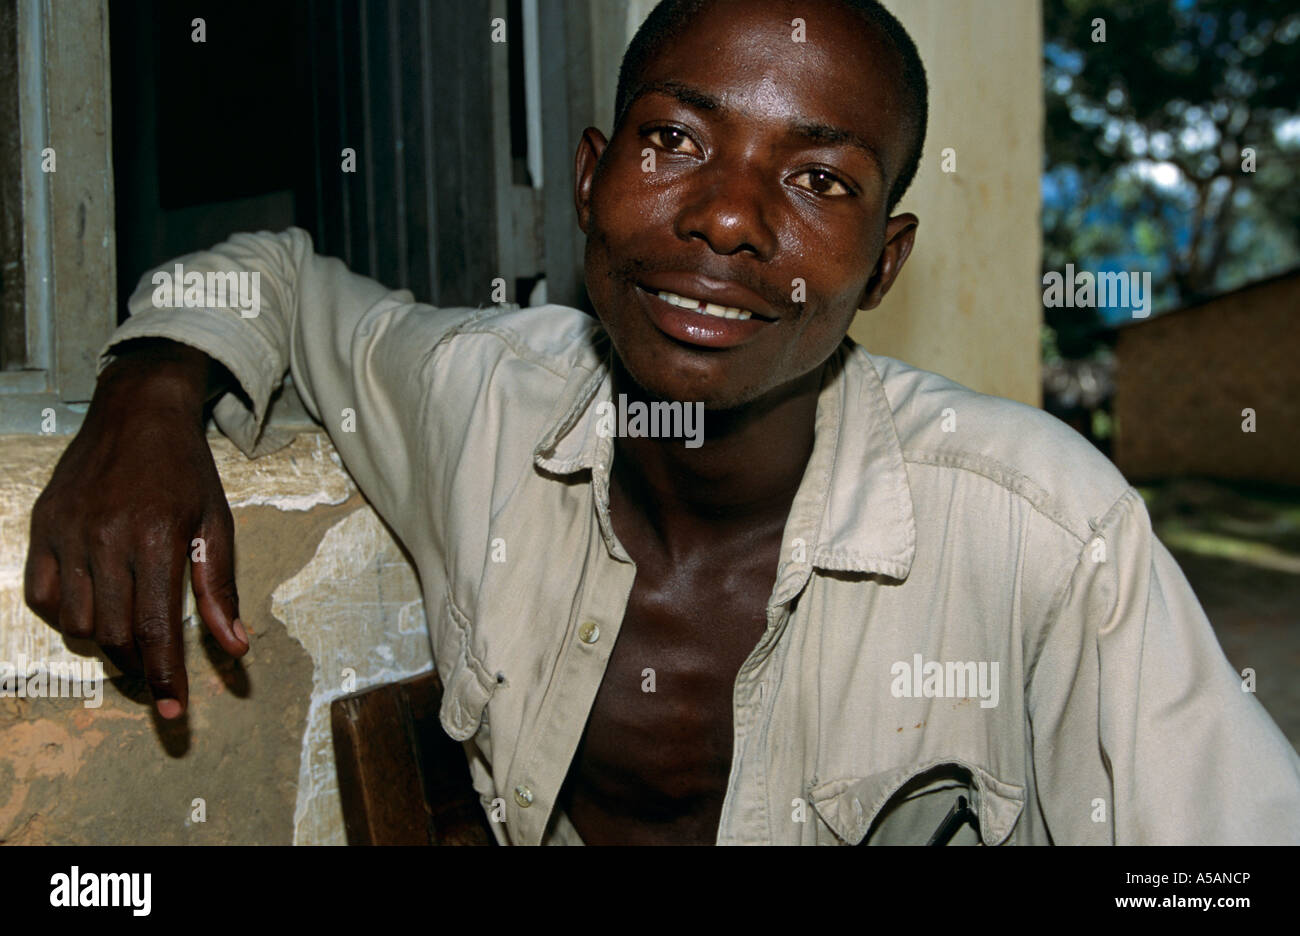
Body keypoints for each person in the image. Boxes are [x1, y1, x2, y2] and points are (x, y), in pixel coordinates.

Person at [24, 0, 1300, 845]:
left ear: (884, 261)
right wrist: (152, 387)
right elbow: (277, 275)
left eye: (816, 179)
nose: (729, 219)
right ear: (589, 180)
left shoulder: (1040, 529)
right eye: (677, 139)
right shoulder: (479, 397)